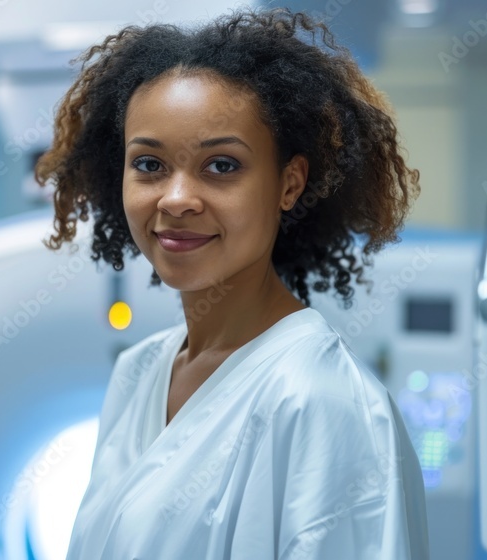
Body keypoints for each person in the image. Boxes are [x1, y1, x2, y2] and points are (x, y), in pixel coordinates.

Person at [35, 7, 428, 559]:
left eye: (221, 165)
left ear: (289, 184)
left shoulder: (324, 403)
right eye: (149, 164)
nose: (176, 199)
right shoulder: (139, 372)